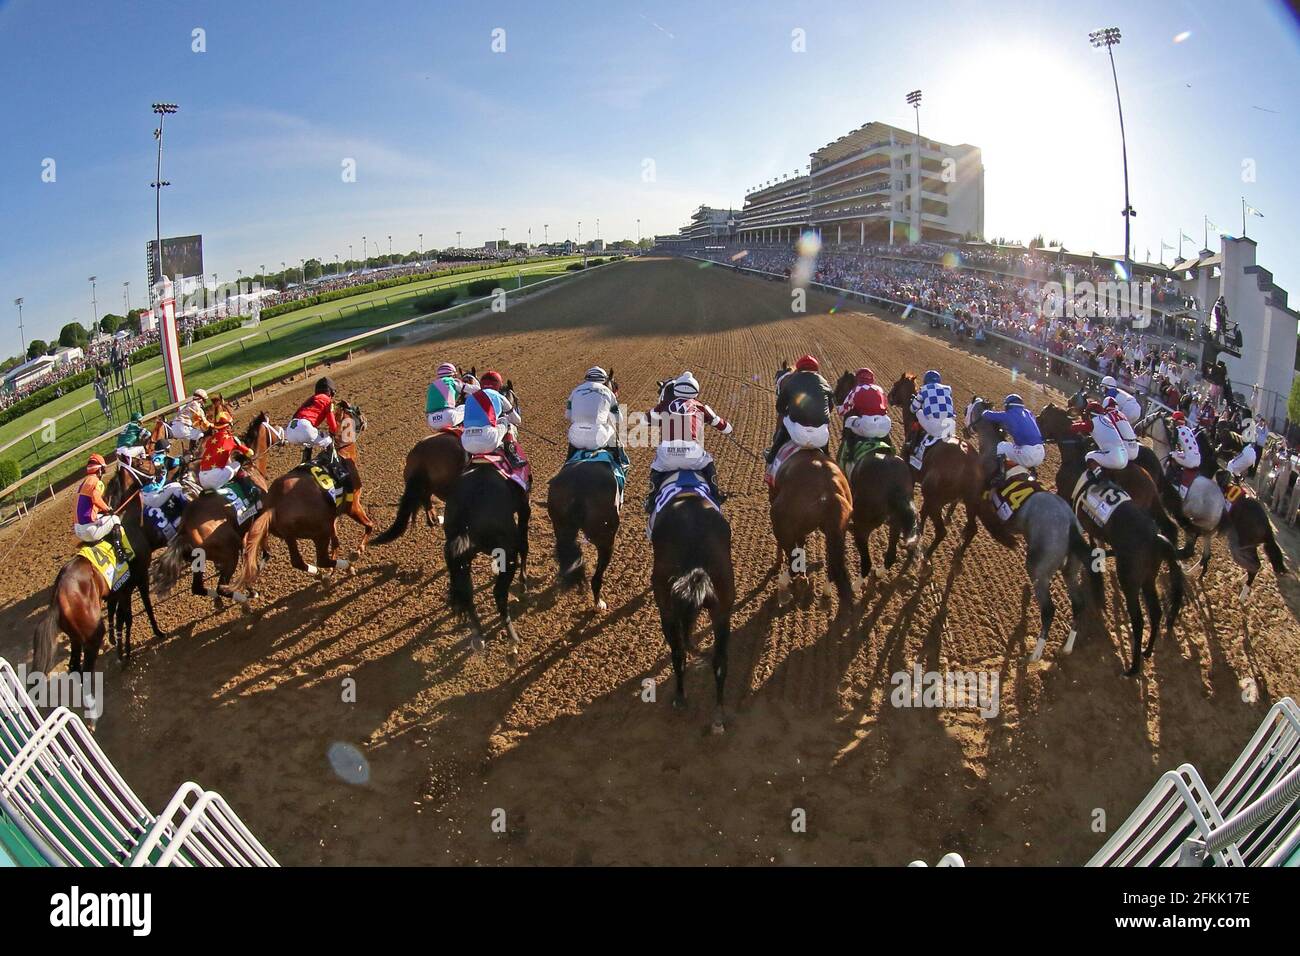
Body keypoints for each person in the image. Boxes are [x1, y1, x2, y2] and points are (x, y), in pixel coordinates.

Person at [646, 371, 731, 512]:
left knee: (656, 468)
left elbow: (646, 420)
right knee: (708, 462)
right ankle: (716, 494)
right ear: (695, 390)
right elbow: (725, 428)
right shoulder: (700, 406)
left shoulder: (666, 404)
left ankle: (651, 500)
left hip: (668, 455)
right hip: (692, 455)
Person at [766, 354, 833, 464]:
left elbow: (780, 407)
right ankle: (827, 456)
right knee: (824, 424)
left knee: (786, 420)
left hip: (799, 434)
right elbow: (830, 407)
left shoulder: (792, 381)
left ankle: (772, 455)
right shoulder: (824, 382)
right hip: (821, 437)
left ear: (799, 368)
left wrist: (788, 411)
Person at [461, 370, 524, 468]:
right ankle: (512, 456)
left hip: (466, 442)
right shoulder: (499, 396)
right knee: (505, 420)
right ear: (498, 385)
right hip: (488, 439)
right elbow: (517, 420)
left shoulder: (470, 397)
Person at [73, 453, 129, 564]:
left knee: (102, 517)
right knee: (115, 519)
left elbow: (89, 505)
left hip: (77, 530)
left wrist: (102, 510)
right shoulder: (97, 483)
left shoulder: (83, 484)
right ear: (99, 470)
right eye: (103, 470)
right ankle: (120, 553)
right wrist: (108, 509)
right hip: (89, 531)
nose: (103, 473)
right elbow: (95, 498)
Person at [197, 409, 260, 504]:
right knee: (237, 464)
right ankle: (249, 492)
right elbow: (249, 453)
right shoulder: (231, 439)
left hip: (201, 478)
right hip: (215, 478)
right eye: (231, 425)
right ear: (228, 427)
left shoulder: (210, 440)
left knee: (227, 465)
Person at [565, 366, 625, 463]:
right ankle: (620, 462)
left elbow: (568, 416)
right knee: (612, 431)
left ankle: (567, 462)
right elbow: (618, 419)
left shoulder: (575, 391)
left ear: (587, 378)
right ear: (604, 380)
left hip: (576, 439)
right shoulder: (609, 392)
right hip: (597, 438)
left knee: (574, 431)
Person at [980, 394, 1045, 480]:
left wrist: (984, 410)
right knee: (1016, 446)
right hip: (1041, 453)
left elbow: (988, 415)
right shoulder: (1028, 413)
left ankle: (1001, 475)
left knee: (1002, 446)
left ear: (1008, 405)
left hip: (1028, 454)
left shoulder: (1009, 414)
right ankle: (1032, 471)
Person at [1069, 393, 1129, 484]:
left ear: (1090, 413)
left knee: (1089, 456)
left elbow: (1075, 428)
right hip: (1125, 456)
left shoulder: (1093, 422)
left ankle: (1101, 479)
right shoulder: (1107, 420)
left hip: (1114, 457)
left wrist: (1070, 423)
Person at [285, 377, 339, 462]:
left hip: (290, 431)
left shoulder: (311, 399)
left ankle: (305, 462)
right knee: (328, 441)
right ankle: (338, 469)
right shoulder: (327, 400)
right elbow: (332, 424)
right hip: (304, 427)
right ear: (330, 392)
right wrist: (334, 432)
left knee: (309, 442)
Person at [906, 369, 956, 462]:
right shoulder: (948, 389)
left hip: (935, 426)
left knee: (918, 412)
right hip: (950, 425)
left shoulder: (924, 389)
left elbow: (913, 408)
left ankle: (915, 445)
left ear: (925, 381)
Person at [838, 367, 891, 452]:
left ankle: (849, 452)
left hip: (867, 426)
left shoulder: (857, 389)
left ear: (857, 379)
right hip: (885, 426)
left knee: (849, 421)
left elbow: (842, 411)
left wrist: (838, 408)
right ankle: (890, 448)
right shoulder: (880, 389)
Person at [425, 362, 464, 432]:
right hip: (448, 417)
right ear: (453, 374)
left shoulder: (432, 385)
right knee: (465, 407)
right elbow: (474, 389)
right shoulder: (453, 381)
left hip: (432, 420)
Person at [1165, 410, 1202, 479]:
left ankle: (1173, 477)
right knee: (1179, 453)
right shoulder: (1188, 429)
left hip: (1189, 459)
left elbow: (1172, 444)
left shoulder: (1177, 430)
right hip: (1198, 458)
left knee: (1172, 454)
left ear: (1175, 421)